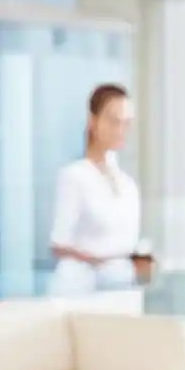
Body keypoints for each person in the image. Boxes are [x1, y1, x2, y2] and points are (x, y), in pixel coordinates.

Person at [48, 83, 147, 296]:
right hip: (81, 290)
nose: (120, 130)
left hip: (122, 288)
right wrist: (101, 261)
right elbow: (59, 243)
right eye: (113, 121)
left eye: (126, 123)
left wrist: (138, 263)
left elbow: (128, 243)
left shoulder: (127, 185)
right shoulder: (74, 176)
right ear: (93, 121)